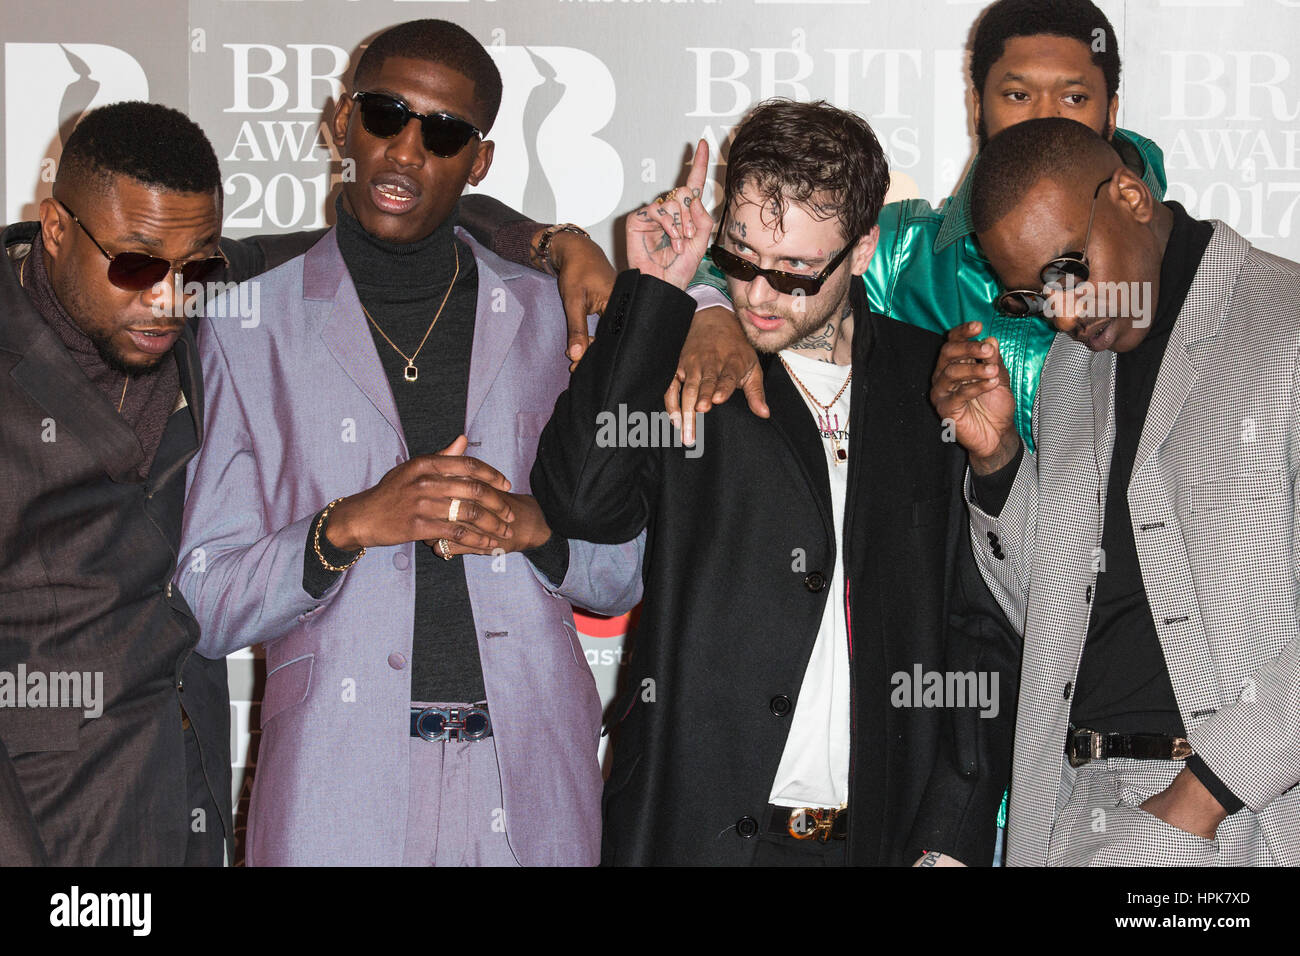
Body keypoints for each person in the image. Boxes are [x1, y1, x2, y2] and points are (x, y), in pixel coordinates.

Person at [176, 19, 642, 866]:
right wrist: (346, 526)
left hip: (529, 788)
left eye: (443, 133)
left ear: (479, 164)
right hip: (335, 791)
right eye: (385, 114)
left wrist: (531, 527)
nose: (403, 151)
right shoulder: (249, 326)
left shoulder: (554, 319)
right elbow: (207, 603)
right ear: (339, 123)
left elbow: (621, 573)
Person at [531, 99, 1017, 866]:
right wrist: (656, 291)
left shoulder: (936, 384)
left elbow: (980, 627)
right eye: (740, 254)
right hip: (696, 839)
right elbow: (581, 501)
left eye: (792, 272)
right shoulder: (692, 359)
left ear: (862, 250)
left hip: (880, 845)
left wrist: (950, 836)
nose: (757, 294)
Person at [935, 116, 1300, 866]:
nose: (1062, 315)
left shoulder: (1286, 321)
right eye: (1031, 299)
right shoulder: (1071, 376)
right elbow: (1053, 610)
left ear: (1131, 196)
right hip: (1069, 814)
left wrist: (1201, 796)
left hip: (1237, 818)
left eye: (1070, 271)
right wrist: (1001, 460)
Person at [670, 0, 1166, 455]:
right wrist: (710, 313)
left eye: (1074, 97)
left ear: (1111, 114)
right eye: (1017, 94)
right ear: (978, 108)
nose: (1043, 118)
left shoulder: (1177, 265)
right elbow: (751, 257)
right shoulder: (906, 250)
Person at [0, 102, 233, 864]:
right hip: (50, 823)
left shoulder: (179, 308)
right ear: (56, 229)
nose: (168, 298)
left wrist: (549, 243)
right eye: (135, 265)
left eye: (197, 266)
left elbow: (377, 228)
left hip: (187, 798)